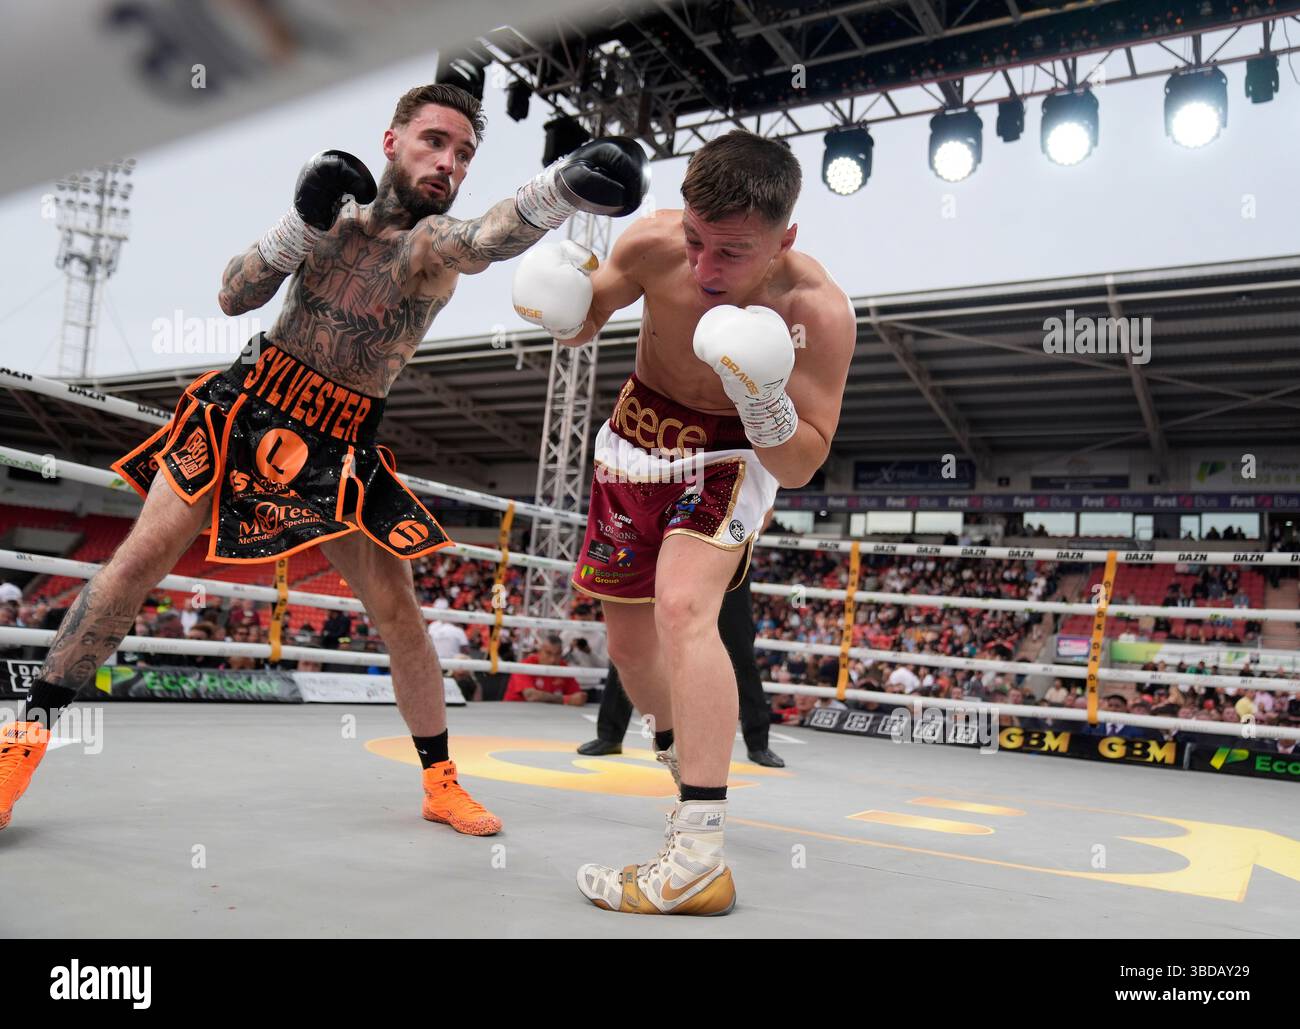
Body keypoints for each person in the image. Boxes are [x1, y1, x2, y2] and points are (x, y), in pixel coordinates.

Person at [0, 82, 648, 835]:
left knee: (401, 614)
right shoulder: (332, 218)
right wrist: (297, 222)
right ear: (391, 141)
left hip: (340, 442)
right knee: (133, 563)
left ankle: (440, 781)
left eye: (464, 154)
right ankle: (19, 748)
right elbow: (232, 295)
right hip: (247, 409)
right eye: (434, 142)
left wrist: (559, 186)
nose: (449, 164)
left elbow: (483, 240)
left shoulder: (429, 246)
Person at [515, 129, 855, 914]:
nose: (705, 268)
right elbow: (579, 323)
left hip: (733, 457)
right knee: (633, 654)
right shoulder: (651, 244)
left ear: (786, 239)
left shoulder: (817, 313)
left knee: (683, 609)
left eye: (731, 252)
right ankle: (682, 749)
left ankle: (699, 856)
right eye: (696, 241)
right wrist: (559, 301)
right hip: (631, 446)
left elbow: (802, 461)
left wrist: (762, 396)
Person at [576, 522, 785, 768]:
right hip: (661, 542)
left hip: (723, 545)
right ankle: (609, 734)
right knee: (635, 641)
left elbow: (766, 500)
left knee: (738, 645)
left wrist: (741, 527)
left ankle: (758, 743)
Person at [503, 635, 587, 705]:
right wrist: (566, 700)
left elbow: (579, 696)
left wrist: (577, 699)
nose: (553, 659)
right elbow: (531, 696)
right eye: (548, 653)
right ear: (539, 651)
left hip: (547, 717)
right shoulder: (525, 666)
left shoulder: (563, 667)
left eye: (557, 654)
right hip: (515, 716)